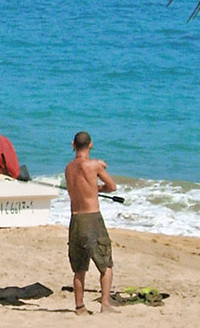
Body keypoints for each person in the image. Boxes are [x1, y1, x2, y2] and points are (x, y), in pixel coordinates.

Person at [64, 130, 117, 315]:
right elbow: (112, 186)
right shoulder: (93, 166)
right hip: (92, 218)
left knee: (79, 268)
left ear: (73, 145)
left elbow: (77, 186)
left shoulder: (68, 168)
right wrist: (99, 182)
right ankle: (105, 305)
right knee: (106, 264)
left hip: (75, 219)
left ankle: (79, 307)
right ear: (91, 145)